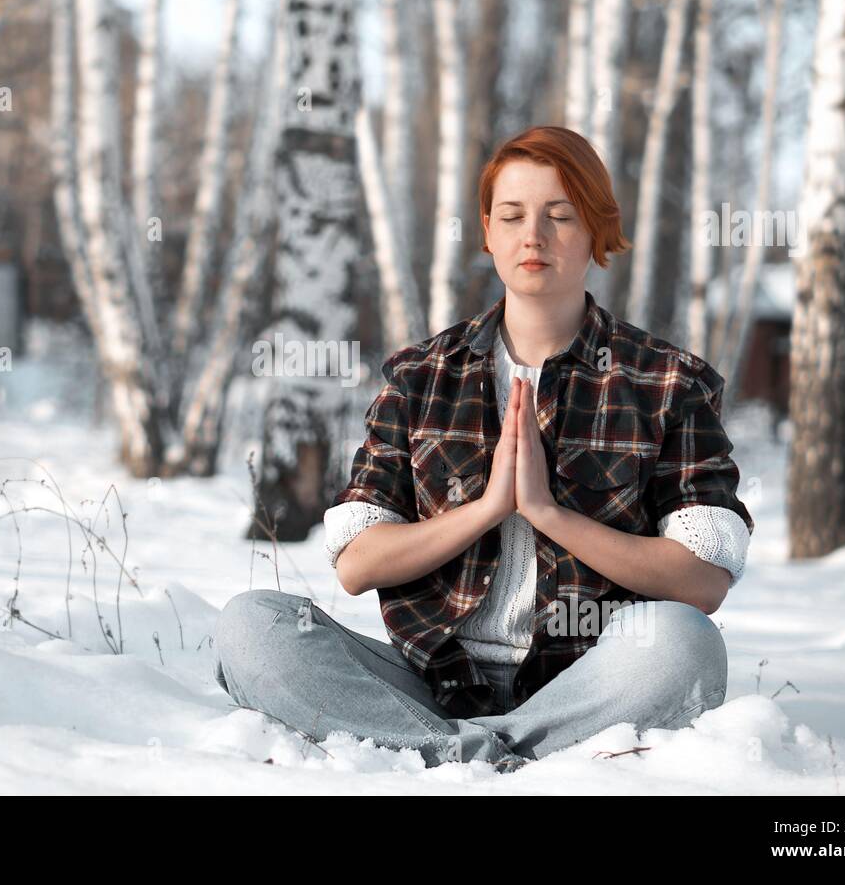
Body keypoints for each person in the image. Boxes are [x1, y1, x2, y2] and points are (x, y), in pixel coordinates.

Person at [212, 126, 755, 772]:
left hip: (586, 685)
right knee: (253, 625)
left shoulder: (668, 381)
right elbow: (357, 564)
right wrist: (486, 509)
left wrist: (551, 513)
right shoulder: (420, 375)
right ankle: (501, 757)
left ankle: (444, 760)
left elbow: (701, 583)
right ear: (487, 231)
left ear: (597, 231)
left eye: (560, 215)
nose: (535, 236)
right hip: (426, 682)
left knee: (685, 646)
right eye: (513, 215)